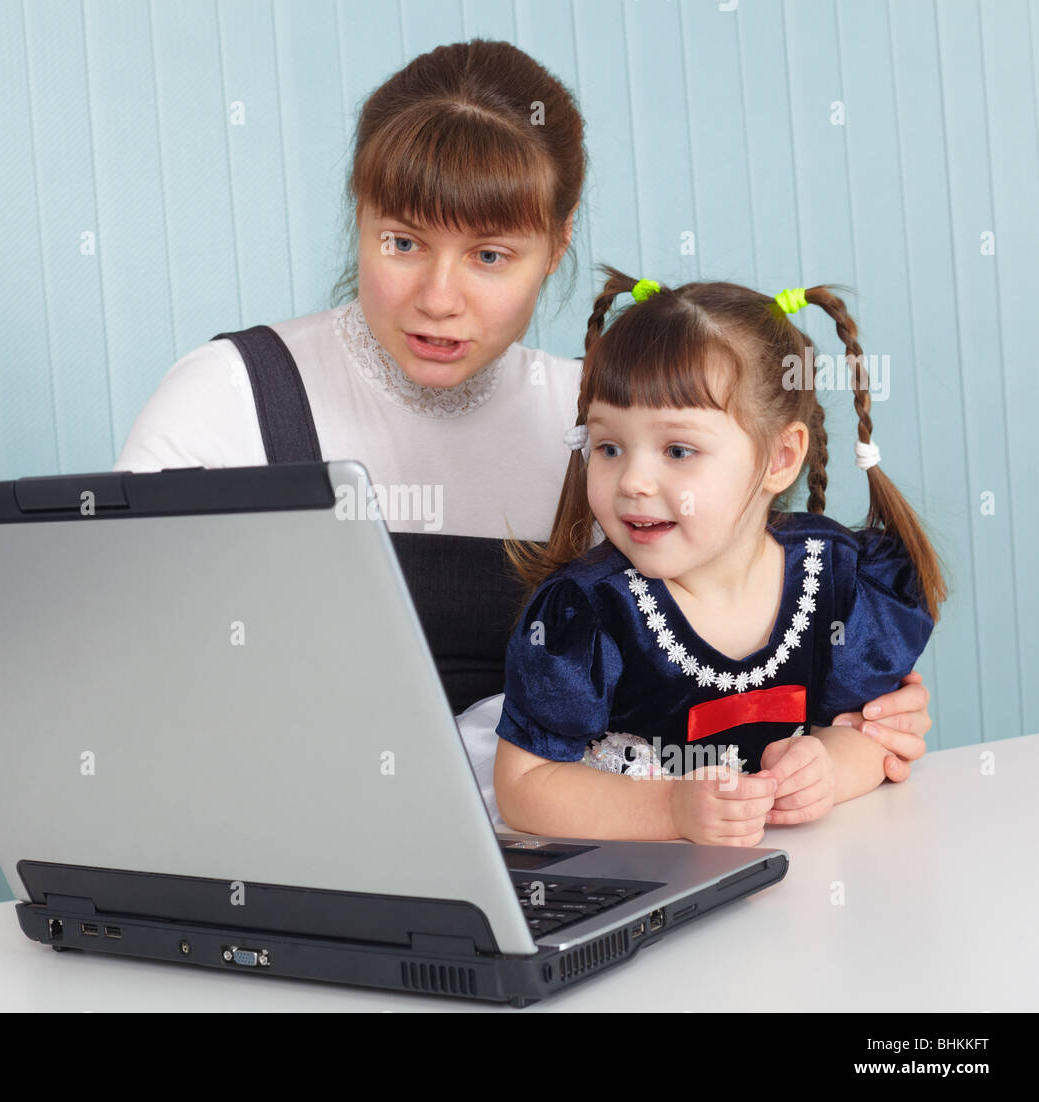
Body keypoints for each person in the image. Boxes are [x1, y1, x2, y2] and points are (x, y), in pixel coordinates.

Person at [111, 39, 934, 796]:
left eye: (490, 255)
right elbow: (127, 685)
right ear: (358, 216)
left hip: (558, 866)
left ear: (559, 242)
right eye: (401, 242)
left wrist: (856, 723)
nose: (439, 297)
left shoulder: (612, 431)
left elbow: (725, 651)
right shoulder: (227, 401)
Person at [493, 268, 947, 845]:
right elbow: (523, 785)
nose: (632, 480)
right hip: (645, 893)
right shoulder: (587, 613)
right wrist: (671, 812)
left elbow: (877, 733)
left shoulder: (838, 578)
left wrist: (827, 768)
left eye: (678, 449)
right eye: (609, 447)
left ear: (781, 457)